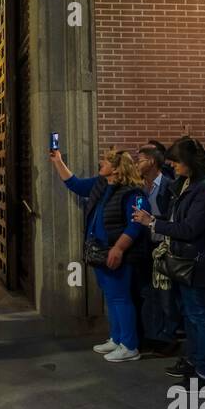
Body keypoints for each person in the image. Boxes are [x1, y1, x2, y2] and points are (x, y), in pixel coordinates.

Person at [136, 137, 205, 385]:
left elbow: (191, 228)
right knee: (190, 314)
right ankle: (194, 360)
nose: (173, 166)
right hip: (185, 260)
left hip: (200, 262)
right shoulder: (186, 183)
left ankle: (204, 371)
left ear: (189, 162)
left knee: (200, 315)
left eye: (176, 162)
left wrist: (153, 223)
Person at [52, 145, 148, 362]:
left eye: (105, 163)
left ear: (115, 169)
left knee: (121, 298)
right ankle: (116, 338)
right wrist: (58, 160)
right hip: (100, 252)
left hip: (117, 252)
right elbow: (75, 184)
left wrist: (119, 248)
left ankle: (130, 345)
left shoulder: (133, 192)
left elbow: (136, 225)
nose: (100, 165)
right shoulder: (101, 184)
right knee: (111, 297)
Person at [133, 144, 180, 352]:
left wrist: (153, 221)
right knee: (149, 292)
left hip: (164, 244)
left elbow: (173, 217)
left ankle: (168, 336)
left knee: (167, 294)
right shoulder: (139, 187)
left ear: (151, 161)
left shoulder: (169, 186)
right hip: (145, 246)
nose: (136, 164)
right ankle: (153, 334)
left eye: (140, 159)